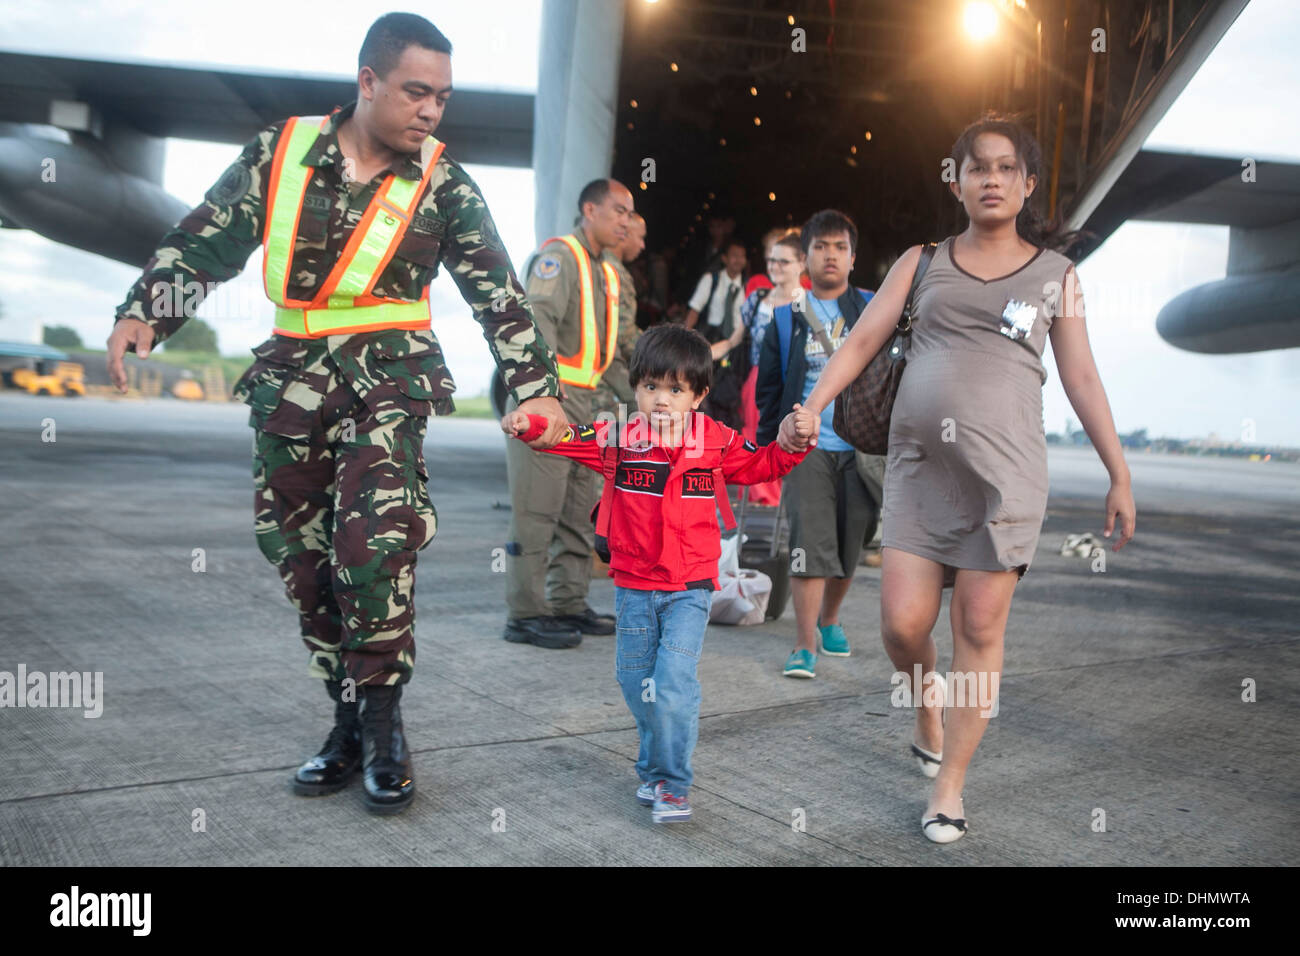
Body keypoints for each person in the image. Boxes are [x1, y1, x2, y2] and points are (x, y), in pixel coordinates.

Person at [105, 13, 568, 815]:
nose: (431, 111)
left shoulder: (444, 185)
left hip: (389, 380)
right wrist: (150, 308)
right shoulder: (279, 153)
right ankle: (346, 721)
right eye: (416, 92)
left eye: (443, 97)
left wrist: (536, 387)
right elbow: (208, 239)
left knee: (373, 547)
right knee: (304, 559)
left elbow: (499, 295)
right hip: (291, 384)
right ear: (368, 82)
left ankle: (385, 726)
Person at [800, 114, 1136, 843]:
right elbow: (863, 338)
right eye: (976, 167)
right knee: (901, 625)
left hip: (1008, 478)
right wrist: (813, 404)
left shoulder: (1057, 276)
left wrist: (1119, 471)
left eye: (1006, 167)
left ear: (1027, 184)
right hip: (920, 475)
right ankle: (926, 703)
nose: (990, 178)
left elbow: (1080, 375)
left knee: (978, 626)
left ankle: (949, 784)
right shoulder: (921, 262)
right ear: (955, 183)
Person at [501, 325, 816, 823]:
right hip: (633, 589)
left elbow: (763, 466)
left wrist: (792, 441)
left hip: (690, 588)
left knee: (671, 683)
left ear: (699, 395)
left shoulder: (717, 441)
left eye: (675, 389)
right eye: (650, 387)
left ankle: (672, 784)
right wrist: (527, 423)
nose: (661, 400)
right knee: (634, 682)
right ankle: (651, 767)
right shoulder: (618, 438)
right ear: (635, 388)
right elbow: (561, 438)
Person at [503, 178, 634, 648]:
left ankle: (567, 602)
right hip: (549, 401)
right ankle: (524, 612)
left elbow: (611, 355)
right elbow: (537, 321)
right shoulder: (560, 257)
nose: (625, 221)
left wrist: (644, 403)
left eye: (628, 213)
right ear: (589, 210)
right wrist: (538, 395)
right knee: (537, 509)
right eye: (618, 210)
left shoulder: (607, 272)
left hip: (589, 406)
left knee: (578, 508)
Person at [756, 210, 878, 680]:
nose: (831, 255)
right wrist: (769, 452)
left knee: (852, 543)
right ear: (805, 257)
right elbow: (769, 393)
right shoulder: (785, 320)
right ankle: (804, 643)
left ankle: (830, 619)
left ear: (853, 257)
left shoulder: (873, 310)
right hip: (805, 449)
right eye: (821, 247)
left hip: (864, 449)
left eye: (840, 247)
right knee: (810, 543)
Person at [737, 230, 807, 505]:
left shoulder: (810, 304)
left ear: (802, 262)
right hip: (757, 379)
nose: (775, 267)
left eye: (784, 262)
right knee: (755, 437)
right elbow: (734, 339)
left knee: (790, 439)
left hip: (797, 381)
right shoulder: (757, 300)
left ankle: (784, 498)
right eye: (772, 261)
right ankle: (759, 493)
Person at [685, 238, 749, 429]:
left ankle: (729, 433)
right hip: (711, 342)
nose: (738, 260)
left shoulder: (749, 286)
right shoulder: (711, 280)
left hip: (738, 347)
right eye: (734, 256)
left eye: (742, 257)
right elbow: (694, 310)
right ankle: (705, 430)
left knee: (733, 392)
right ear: (724, 258)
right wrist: (684, 343)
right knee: (707, 390)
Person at [593, 212, 646, 417]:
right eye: (640, 237)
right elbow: (622, 335)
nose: (642, 245)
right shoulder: (614, 272)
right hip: (605, 381)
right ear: (625, 235)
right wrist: (660, 352)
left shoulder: (596, 264)